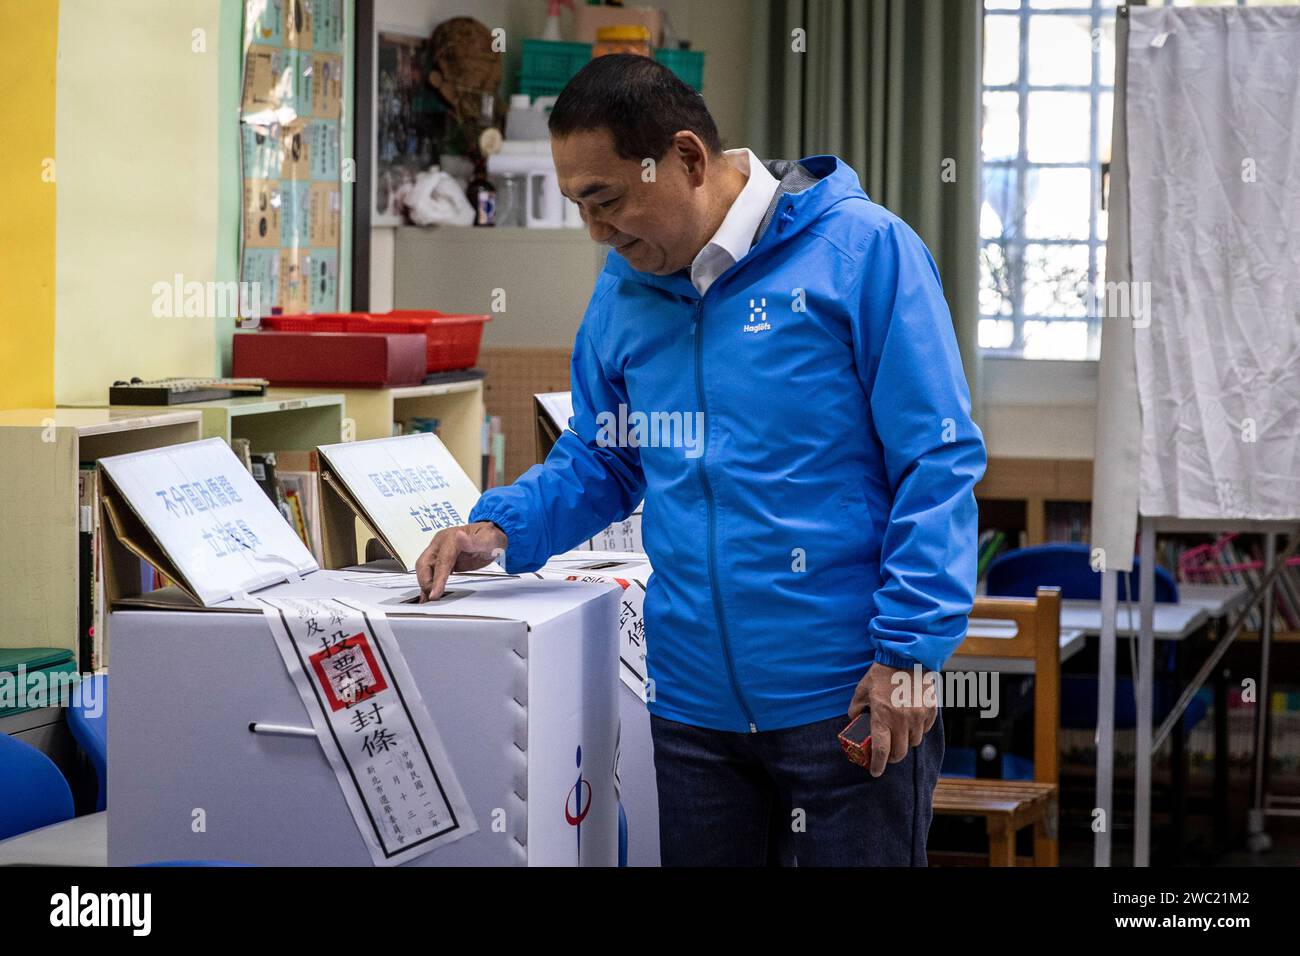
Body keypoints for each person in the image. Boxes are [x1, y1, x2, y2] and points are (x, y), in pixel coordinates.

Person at [416, 54, 986, 866]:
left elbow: (937, 464)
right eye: (580, 207)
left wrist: (909, 655)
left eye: (607, 201)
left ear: (685, 157)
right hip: (693, 714)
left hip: (851, 695)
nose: (597, 234)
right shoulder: (626, 288)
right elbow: (604, 458)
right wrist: (497, 529)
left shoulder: (862, 253)